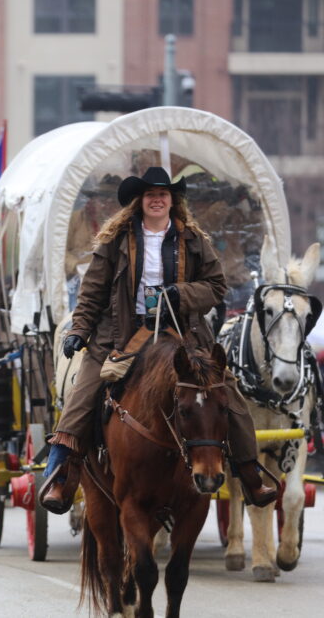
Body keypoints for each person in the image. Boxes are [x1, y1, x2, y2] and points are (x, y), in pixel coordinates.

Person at [38, 167, 276, 514]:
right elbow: (91, 294)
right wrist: (78, 331)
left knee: (227, 392)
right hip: (119, 336)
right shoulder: (114, 241)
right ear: (140, 201)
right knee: (83, 396)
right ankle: (60, 476)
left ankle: (250, 473)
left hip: (181, 335)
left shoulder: (194, 240)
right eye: (151, 194)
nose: (157, 199)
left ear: (172, 201)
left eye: (163, 194)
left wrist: (179, 294)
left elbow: (216, 287)